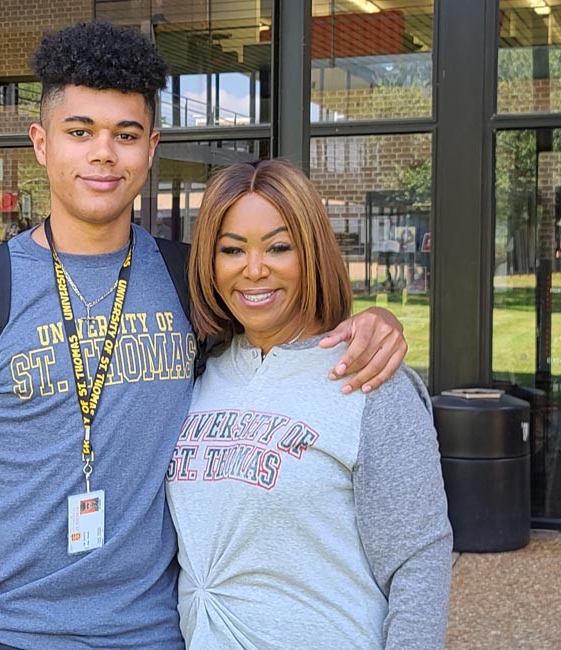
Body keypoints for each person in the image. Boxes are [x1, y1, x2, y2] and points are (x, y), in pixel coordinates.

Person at [0, 22, 408, 650]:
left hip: (157, 632)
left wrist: (375, 322)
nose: (103, 153)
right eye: (79, 132)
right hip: (8, 630)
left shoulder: (192, 280)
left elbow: (286, 336)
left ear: (151, 147)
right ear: (41, 143)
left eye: (125, 135)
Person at [167, 159, 452, 649]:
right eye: (232, 250)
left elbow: (419, 563)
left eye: (279, 247)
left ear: (312, 253)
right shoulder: (198, 373)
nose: (254, 269)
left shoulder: (370, 378)